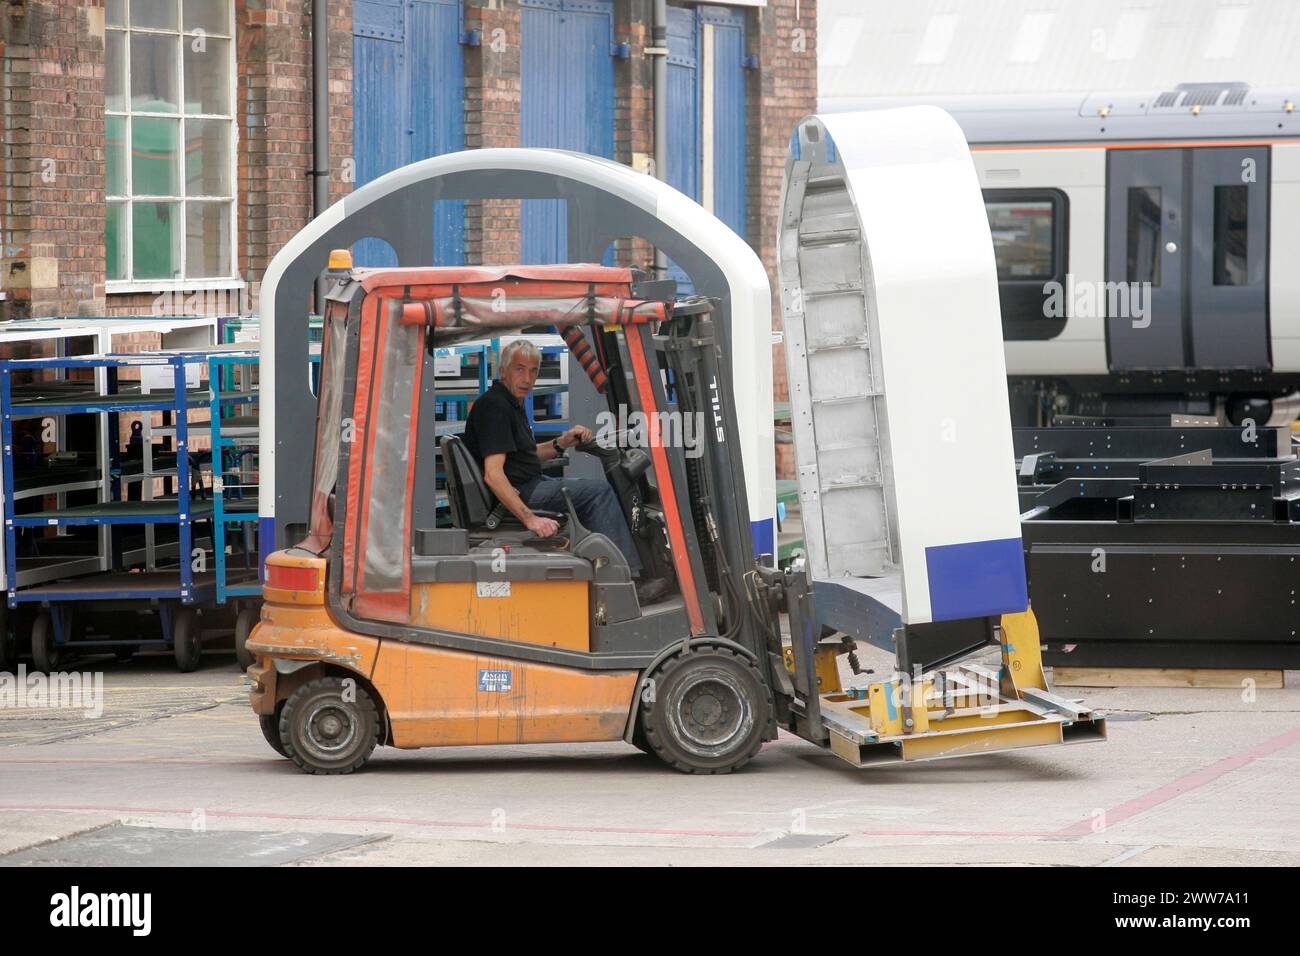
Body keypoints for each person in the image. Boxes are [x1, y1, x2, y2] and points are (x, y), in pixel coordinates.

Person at [463, 339, 670, 603]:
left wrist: (562, 443)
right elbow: (493, 474)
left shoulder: (508, 402)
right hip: (520, 494)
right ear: (503, 371)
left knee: (588, 489)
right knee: (599, 493)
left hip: (528, 483)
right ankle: (629, 582)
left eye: (534, 370)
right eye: (519, 369)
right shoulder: (496, 408)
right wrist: (531, 520)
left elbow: (524, 457)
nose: (527, 378)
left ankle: (612, 571)